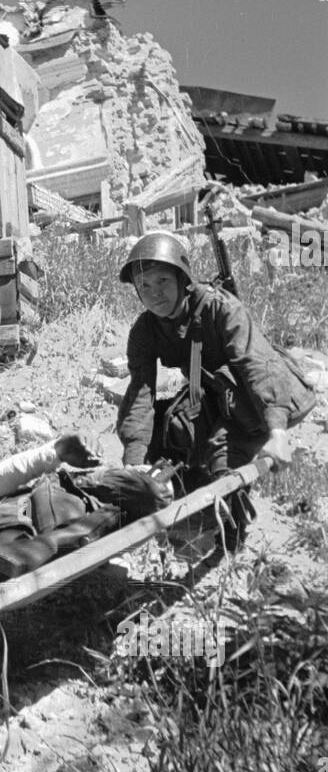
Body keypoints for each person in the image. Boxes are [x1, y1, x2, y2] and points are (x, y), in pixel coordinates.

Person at [115, 232, 315, 549]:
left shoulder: (221, 309)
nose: (155, 294)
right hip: (209, 390)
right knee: (168, 429)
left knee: (224, 457)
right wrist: (133, 464)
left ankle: (231, 540)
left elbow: (257, 364)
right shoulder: (145, 330)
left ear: (183, 279)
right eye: (144, 286)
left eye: (163, 281)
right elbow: (140, 396)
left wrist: (277, 431)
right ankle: (168, 497)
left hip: (253, 397)